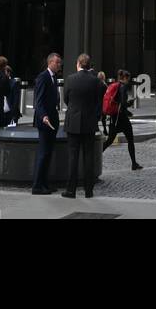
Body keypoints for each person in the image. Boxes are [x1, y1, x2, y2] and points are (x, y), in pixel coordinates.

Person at [61, 53, 104, 200]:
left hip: (73, 121)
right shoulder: (96, 81)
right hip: (89, 122)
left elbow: (66, 98)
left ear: (78, 63)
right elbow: (100, 99)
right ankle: (89, 190)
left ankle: (71, 190)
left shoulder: (70, 79)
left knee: (73, 157)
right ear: (89, 65)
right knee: (89, 157)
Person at [32, 51, 62, 194]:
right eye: (57, 62)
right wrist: (43, 116)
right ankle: (37, 186)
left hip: (52, 120)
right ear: (50, 62)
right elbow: (38, 101)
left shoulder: (54, 78)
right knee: (43, 153)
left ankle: (45, 183)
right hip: (45, 121)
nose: (59, 65)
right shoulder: (43, 77)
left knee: (48, 153)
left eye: (59, 63)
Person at [103, 69, 142, 170]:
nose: (128, 81)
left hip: (114, 117)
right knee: (130, 140)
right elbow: (123, 104)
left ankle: (95, 157)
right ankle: (134, 163)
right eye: (128, 78)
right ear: (124, 78)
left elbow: (117, 102)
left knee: (109, 141)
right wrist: (129, 104)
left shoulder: (115, 86)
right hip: (122, 118)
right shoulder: (123, 87)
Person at [4, 63, 21, 127]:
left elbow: (16, 100)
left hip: (10, 113)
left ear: (8, 73)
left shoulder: (14, 83)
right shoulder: (0, 82)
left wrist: (13, 114)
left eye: (4, 72)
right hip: (1, 112)